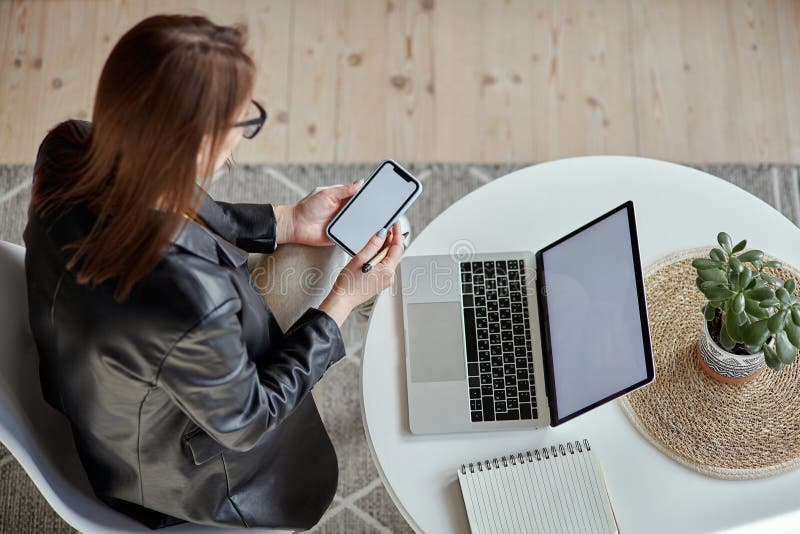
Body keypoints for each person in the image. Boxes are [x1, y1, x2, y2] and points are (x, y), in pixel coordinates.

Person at [22, 14, 404, 530]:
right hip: (164, 474)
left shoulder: (69, 148)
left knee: (326, 246)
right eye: (243, 119)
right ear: (197, 147)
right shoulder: (191, 298)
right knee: (346, 264)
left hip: (90, 387)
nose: (245, 127)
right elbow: (247, 422)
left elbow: (174, 204)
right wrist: (340, 303)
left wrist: (288, 220)